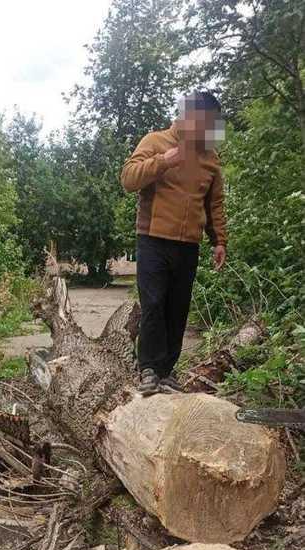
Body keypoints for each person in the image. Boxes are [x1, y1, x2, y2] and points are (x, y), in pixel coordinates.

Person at [121, 91, 227, 395]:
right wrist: (163, 161)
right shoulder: (155, 141)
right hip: (153, 239)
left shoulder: (210, 158)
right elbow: (128, 179)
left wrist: (219, 240)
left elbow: (214, 203)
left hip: (188, 244)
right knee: (153, 305)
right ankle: (149, 370)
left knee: (177, 309)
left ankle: (167, 372)